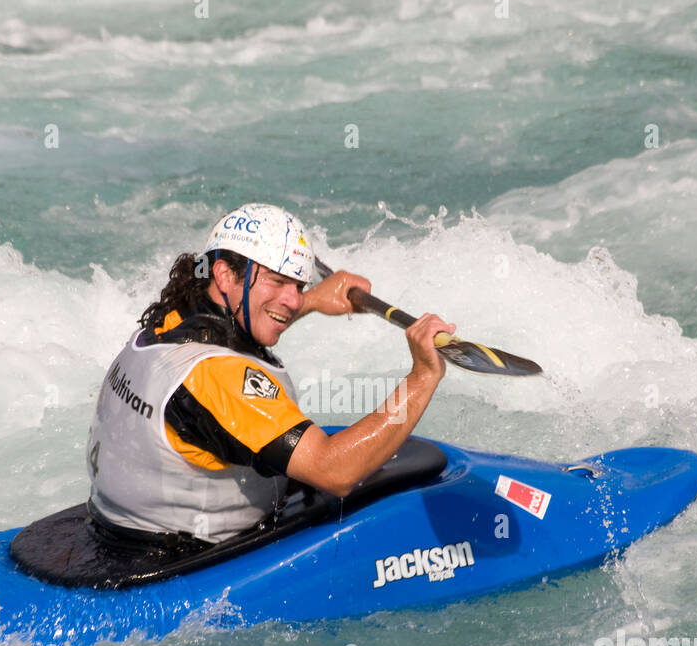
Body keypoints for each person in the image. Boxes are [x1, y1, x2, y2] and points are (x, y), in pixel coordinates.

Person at [85, 203, 454, 547]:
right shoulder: (217, 376)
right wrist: (422, 376)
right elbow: (336, 472)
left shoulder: (174, 318)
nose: (293, 299)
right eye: (277, 282)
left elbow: (229, 340)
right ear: (225, 274)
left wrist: (314, 300)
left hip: (119, 527)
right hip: (190, 556)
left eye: (298, 285)